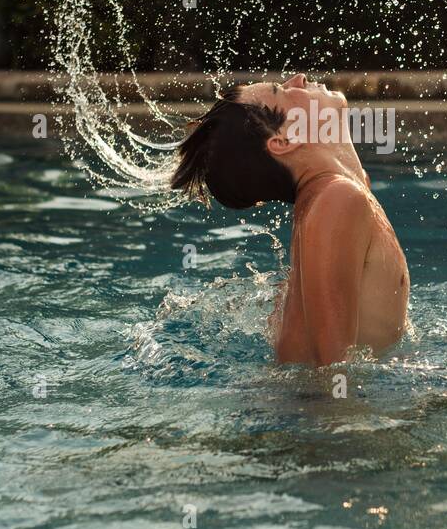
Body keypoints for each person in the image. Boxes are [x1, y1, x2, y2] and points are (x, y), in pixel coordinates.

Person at [171, 73, 408, 365]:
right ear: (284, 140)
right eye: (280, 91)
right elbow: (333, 375)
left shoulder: (338, 197)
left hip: (296, 404)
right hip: (306, 407)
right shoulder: (337, 201)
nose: (297, 79)